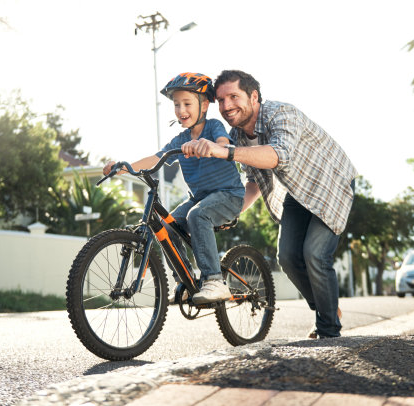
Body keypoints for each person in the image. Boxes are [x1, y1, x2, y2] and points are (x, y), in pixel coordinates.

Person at [181, 70, 357, 338]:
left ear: (254, 96)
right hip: (297, 193)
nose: (227, 105)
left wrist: (223, 151)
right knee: (286, 257)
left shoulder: (281, 113)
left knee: (314, 254)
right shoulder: (238, 135)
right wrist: (230, 212)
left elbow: (278, 156)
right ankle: (327, 309)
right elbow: (252, 182)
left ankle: (329, 331)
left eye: (234, 96)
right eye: (221, 99)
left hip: (330, 184)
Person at [103, 72, 245, 304]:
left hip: (229, 195)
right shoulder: (180, 140)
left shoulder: (213, 126)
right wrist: (123, 168)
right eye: (176, 105)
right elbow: (157, 158)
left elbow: (223, 143)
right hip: (199, 198)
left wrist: (210, 146)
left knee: (197, 215)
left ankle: (214, 280)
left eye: (187, 103)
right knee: (167, 228)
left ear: (205, 104)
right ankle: (186, 281)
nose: (181, 110)